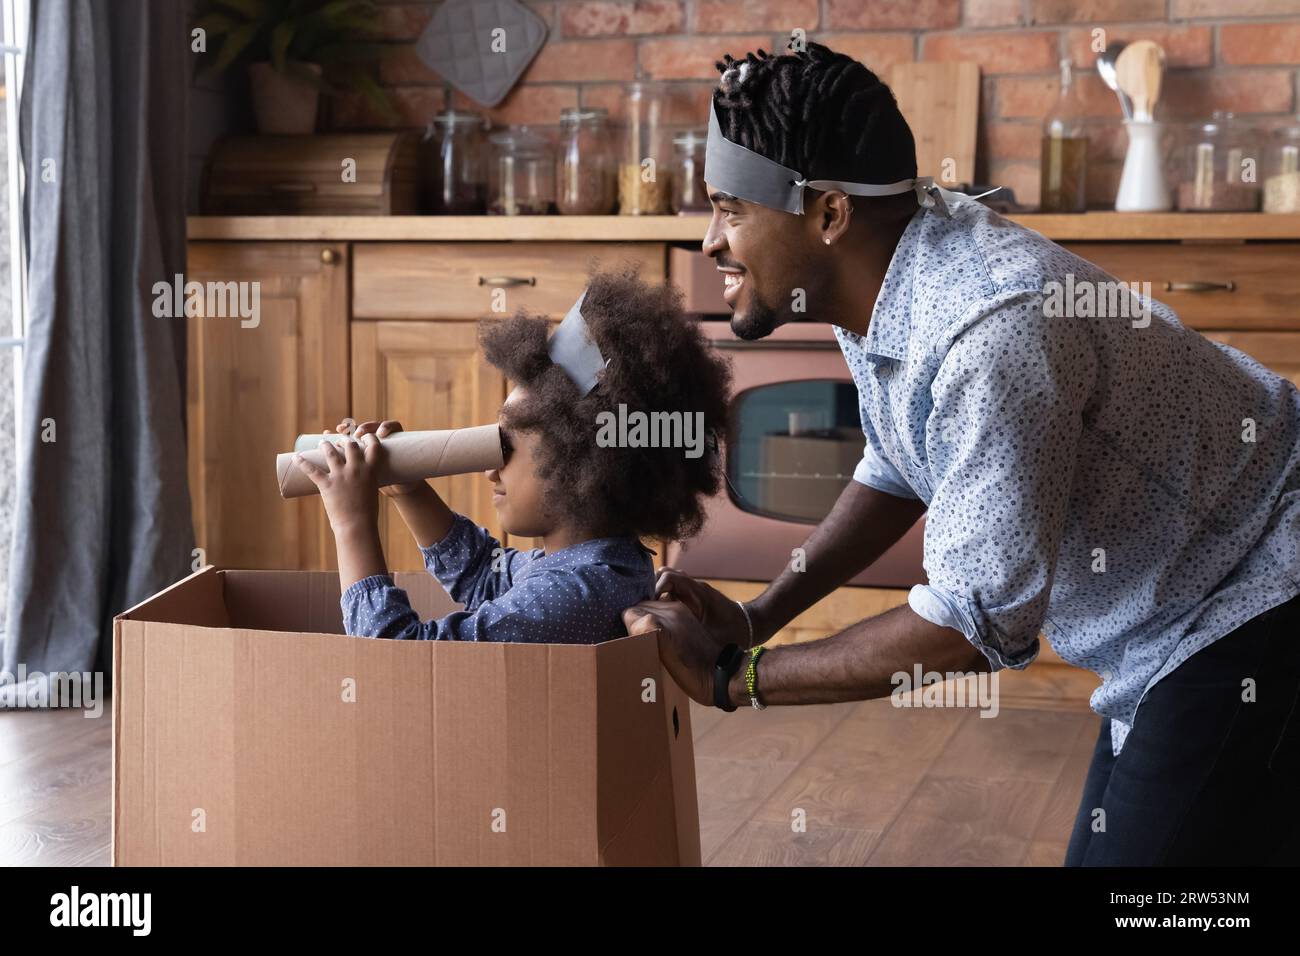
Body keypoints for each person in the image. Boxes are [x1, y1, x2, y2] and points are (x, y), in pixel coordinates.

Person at [623, 41, 1300, 865]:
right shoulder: (877, 272)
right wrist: (759, 616)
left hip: (1258, 591)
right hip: (1178, 611)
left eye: (731, 209)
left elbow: (969, 625)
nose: (709, 243)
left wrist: (738, 678)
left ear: (830, 214)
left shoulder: (988, 327)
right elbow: (902, 462)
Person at [295, 268, 731, 643]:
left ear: (579, 467)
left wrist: (351, 524)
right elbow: (485, 574)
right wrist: (409, 491)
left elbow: (396, 662)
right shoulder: (597, 564)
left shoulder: (576, 593)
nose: (489, 470)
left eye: (505, 447)